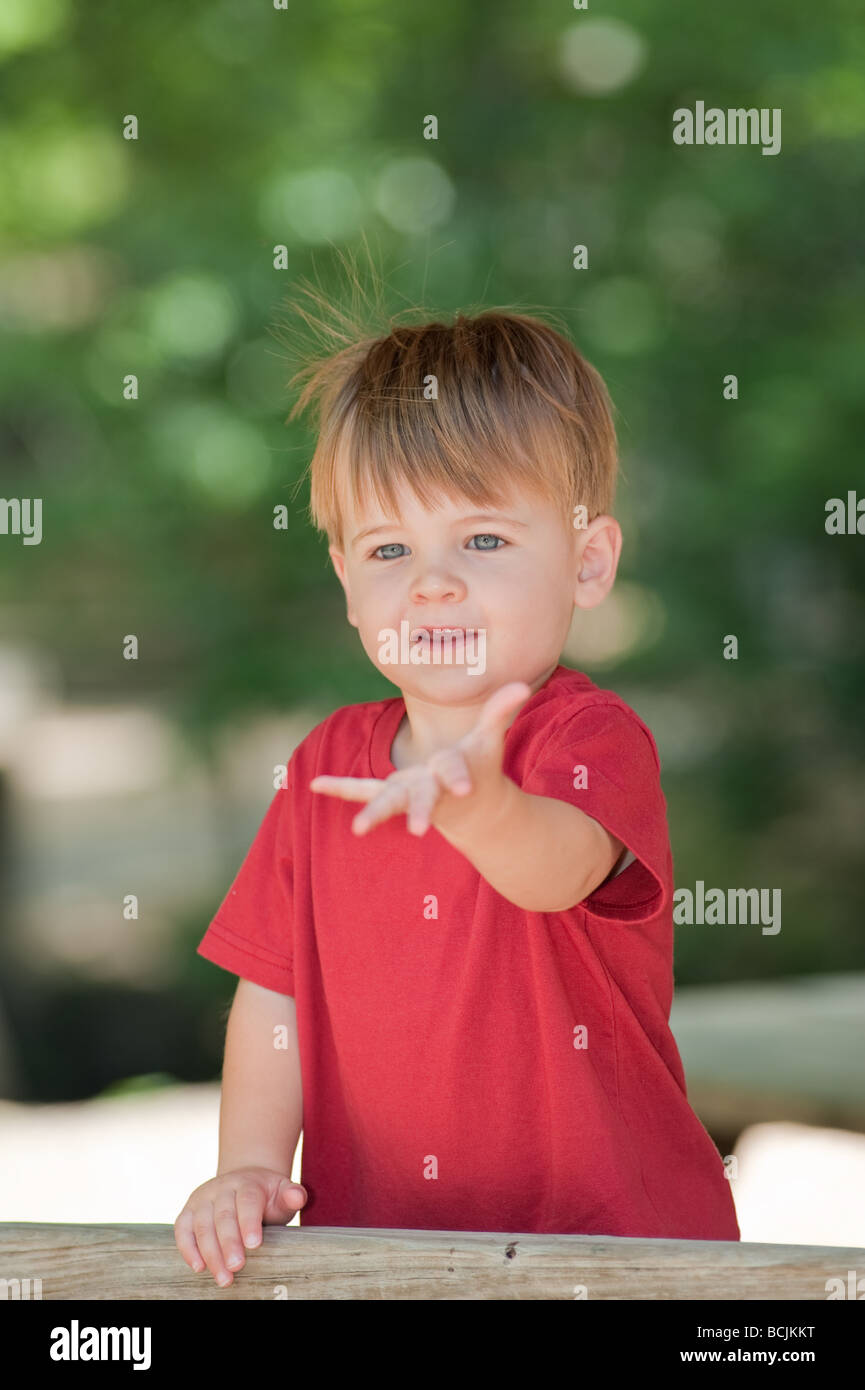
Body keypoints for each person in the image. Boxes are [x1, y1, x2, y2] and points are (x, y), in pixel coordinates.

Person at [174, 303, 740, 1287]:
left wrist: (481, 808)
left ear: (588, 560)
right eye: (390, 550)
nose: (431, 584)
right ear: (349, 583)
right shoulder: (321, 769)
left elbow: (558, 865)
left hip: (617, 1259)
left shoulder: (587, 739)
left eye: (480, 539)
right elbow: (274, 994)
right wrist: (250, 1168)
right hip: (389, 1262)